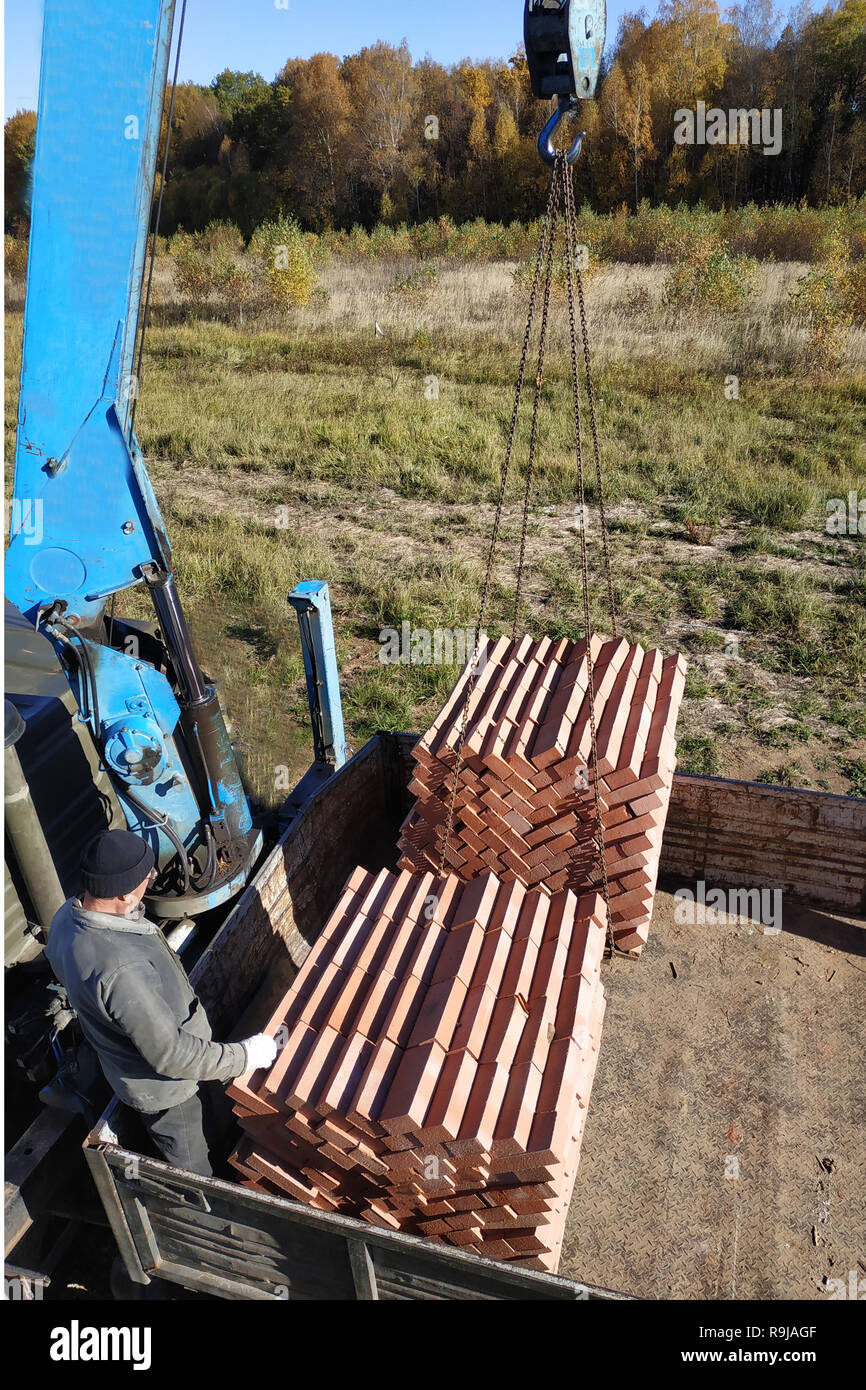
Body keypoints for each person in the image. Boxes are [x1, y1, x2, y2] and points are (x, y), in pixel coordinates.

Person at [45, 828, 277, 1176]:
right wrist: (244, 1057)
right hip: (167, 1092)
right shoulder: (121, 969)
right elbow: (171, 1055)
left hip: (160, 1062)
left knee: (209, 1125)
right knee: (192, 1165)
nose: (150, 881)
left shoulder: (66, 917)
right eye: (146, 877)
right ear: (123, 894)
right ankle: (207, 1211)